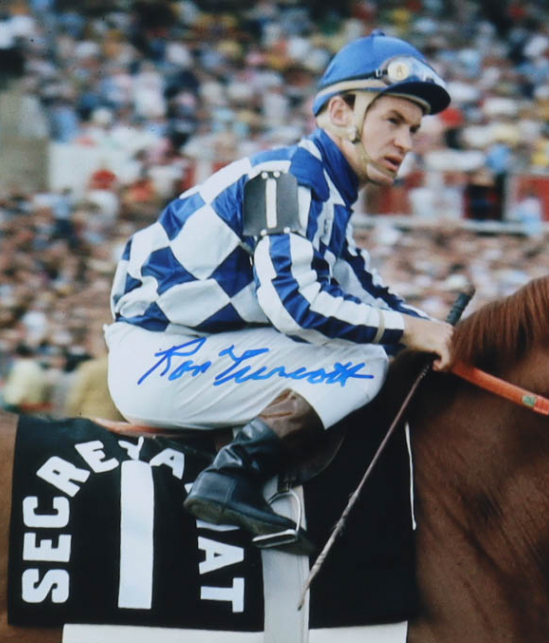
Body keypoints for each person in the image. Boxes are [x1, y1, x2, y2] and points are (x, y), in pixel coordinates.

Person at [106, 32, 454, 551]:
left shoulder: (325, 195)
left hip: (185, 352)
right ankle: (230, 479)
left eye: (413, 129)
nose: (406, 143)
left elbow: (370, 296)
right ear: (340, 113)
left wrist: (444, 333)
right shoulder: (285, 181)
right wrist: (411, 330)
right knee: (360, 363)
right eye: (393, 121)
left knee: (372, 344)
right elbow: (295, 304)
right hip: (160, 360)